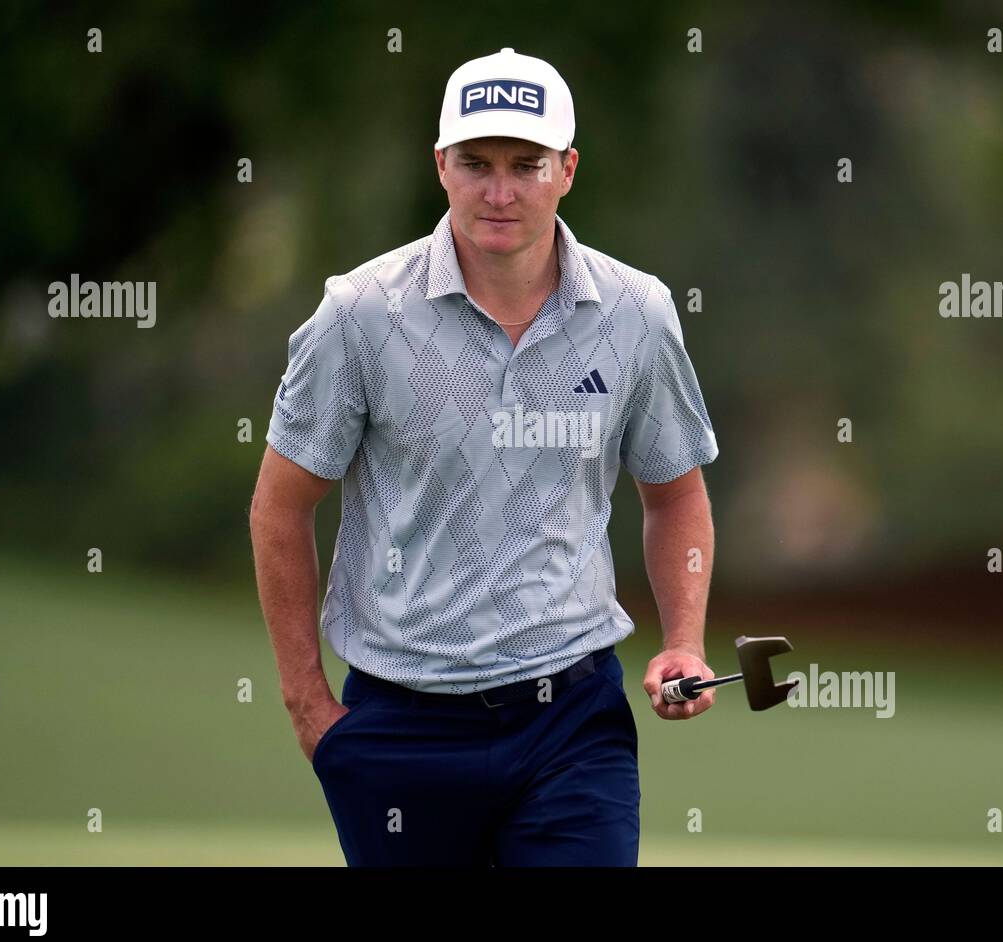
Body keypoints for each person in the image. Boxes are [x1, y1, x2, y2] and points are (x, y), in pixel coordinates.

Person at [249, 47, 720, 866]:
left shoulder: (637, 313)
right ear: (441, 167)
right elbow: (281, 506)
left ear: (567, 170)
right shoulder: (359, 314)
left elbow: (675, 493)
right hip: (401, 726)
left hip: (572, 722)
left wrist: (683, 639)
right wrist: (308, 709)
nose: (499, 191)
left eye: (525, 165)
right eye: (476, 163)